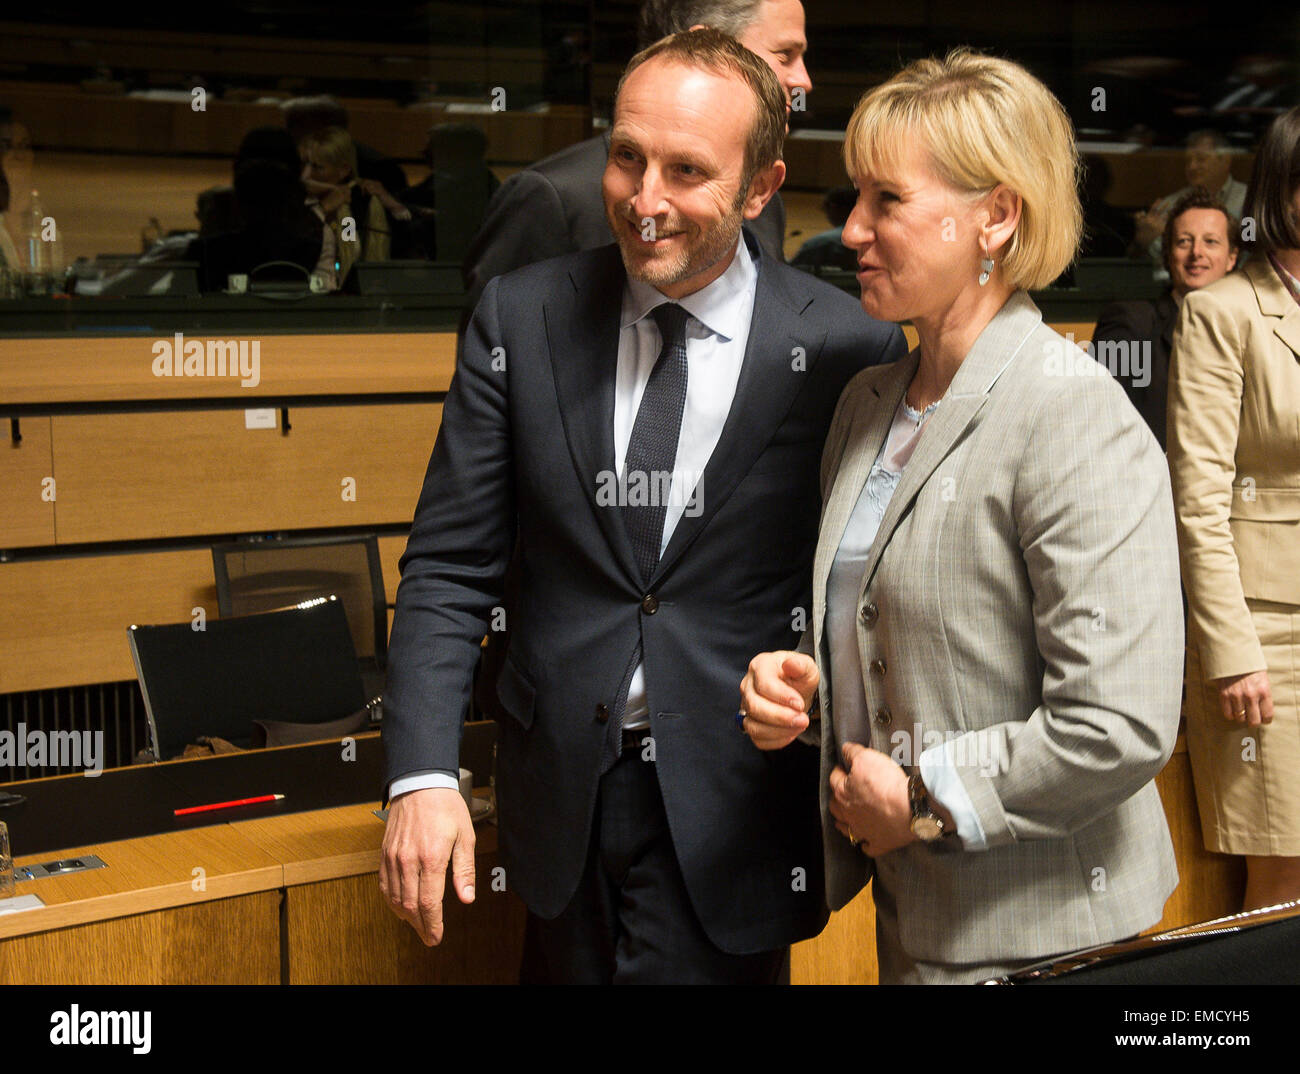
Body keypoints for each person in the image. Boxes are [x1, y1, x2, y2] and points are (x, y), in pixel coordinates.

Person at [379, 29, 904, 984]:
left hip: (736, 807)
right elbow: (450, 567)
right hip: (558, 807)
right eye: (628, 157)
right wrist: (421, 774)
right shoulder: (519, 317)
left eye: (687, 170)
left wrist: (821, 690)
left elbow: (869, 592)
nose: (644, 200)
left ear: (760, 187)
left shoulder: (845, 348)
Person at [739, 49, 1184, 984]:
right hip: (918, 926)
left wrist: (926, 796)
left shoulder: (1071, 412)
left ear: (998, 215)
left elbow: (1120, 722)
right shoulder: (867, 402)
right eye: (852, 198)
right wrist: (813, 696)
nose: (851, 229)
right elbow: (911, 636)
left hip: (1053, 938)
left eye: (886, 201)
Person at [461, 0, 812, 314]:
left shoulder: (766, 203)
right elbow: (501, 357)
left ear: (759, 190)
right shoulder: (549, 198)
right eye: (785, 55)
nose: (803, 81)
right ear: (706, 43)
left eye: (688, 170)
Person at [1167, 105, 1300, 912]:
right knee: (1284, 872)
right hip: (1270, 635)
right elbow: (1199, 499)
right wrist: (1232, 649)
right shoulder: (1223, 311)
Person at [1091, 189, 1239, 450]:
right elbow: (1100, 423)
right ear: (1169, 255)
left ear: (1231, 258)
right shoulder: (1130, 323)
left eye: (1211, 242)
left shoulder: (1244, 332)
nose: (1197, 253)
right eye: (1184, 241)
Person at [299, 126, 394, 289]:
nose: (305, 175)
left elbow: (353, 250)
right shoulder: (291, 201)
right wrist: (321, 210)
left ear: (343, 170)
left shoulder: (356, 207)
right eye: (303, 164)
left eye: (317, 167)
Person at [1132, 129, 1247, 264]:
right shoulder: (1170, 204)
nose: (1192, 166)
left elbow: (1251, 248)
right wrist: (1143, 242)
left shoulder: (1249, 201)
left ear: (1225, 160)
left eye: (1201, 159)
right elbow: (1148, 261)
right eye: (1188, 161)